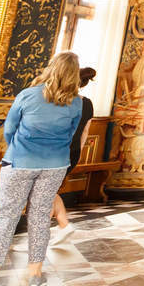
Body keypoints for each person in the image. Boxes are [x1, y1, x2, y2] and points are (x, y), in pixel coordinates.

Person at [0, 52, 85, 286]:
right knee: (40, 219)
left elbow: (9, 129)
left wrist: (20, 149)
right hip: (55, 165)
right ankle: (35, 276)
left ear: (51, 69)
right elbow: (71, 135)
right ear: (74, 76)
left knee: (5, 221)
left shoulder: (28, 95)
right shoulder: (76, 103)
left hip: (20, 162)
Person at [48, 66, 97, 245]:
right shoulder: (87, 103)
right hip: (73, 153)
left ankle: (43, 235)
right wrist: (78, 152)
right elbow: (85, 132)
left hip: (54, 151)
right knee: (49, 191)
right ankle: (63, 225)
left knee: (44, 192)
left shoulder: (61, 102)